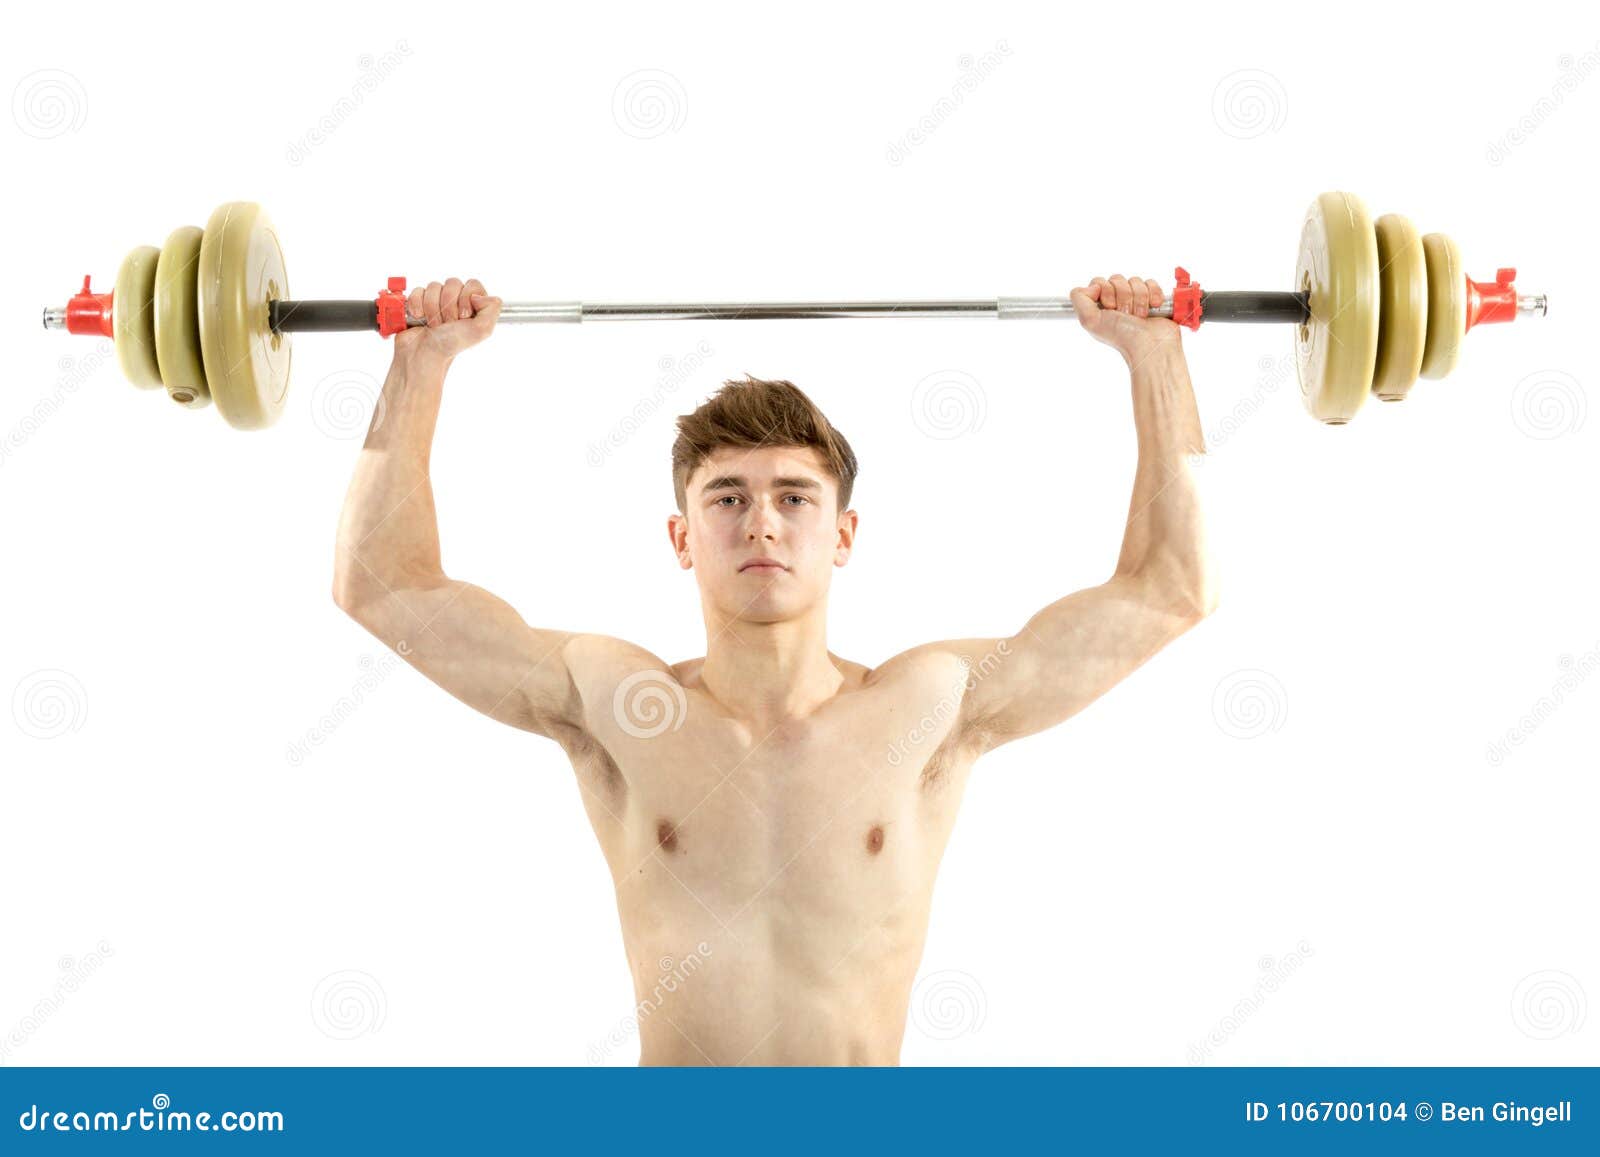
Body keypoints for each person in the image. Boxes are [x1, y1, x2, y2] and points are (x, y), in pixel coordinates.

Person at [333, 274, 1216, 1065]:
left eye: (795, 496)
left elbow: (1170, 588)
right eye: (728, 498)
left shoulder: (932, 702)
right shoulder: (612, 699)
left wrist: (1155, 357)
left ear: (842, 535)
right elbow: (382, 586)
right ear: (682, 537)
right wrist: (420, 363)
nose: (761, 523)